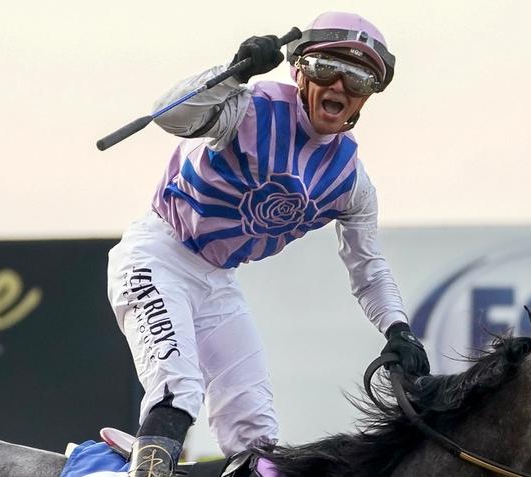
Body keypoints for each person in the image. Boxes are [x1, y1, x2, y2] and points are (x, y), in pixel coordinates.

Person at [106, 11, 429, 477]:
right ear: (298, 72)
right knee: (178, 390)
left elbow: (369, 268)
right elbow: (169, 115)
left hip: (216, 279)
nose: (339, 86)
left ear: (365, 101)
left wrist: (399, 329)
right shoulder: (246, 108)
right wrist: (234, 72)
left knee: (256, 434)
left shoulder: (351, 183)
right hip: (157, 253)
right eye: (325, 69)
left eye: (357, 78)